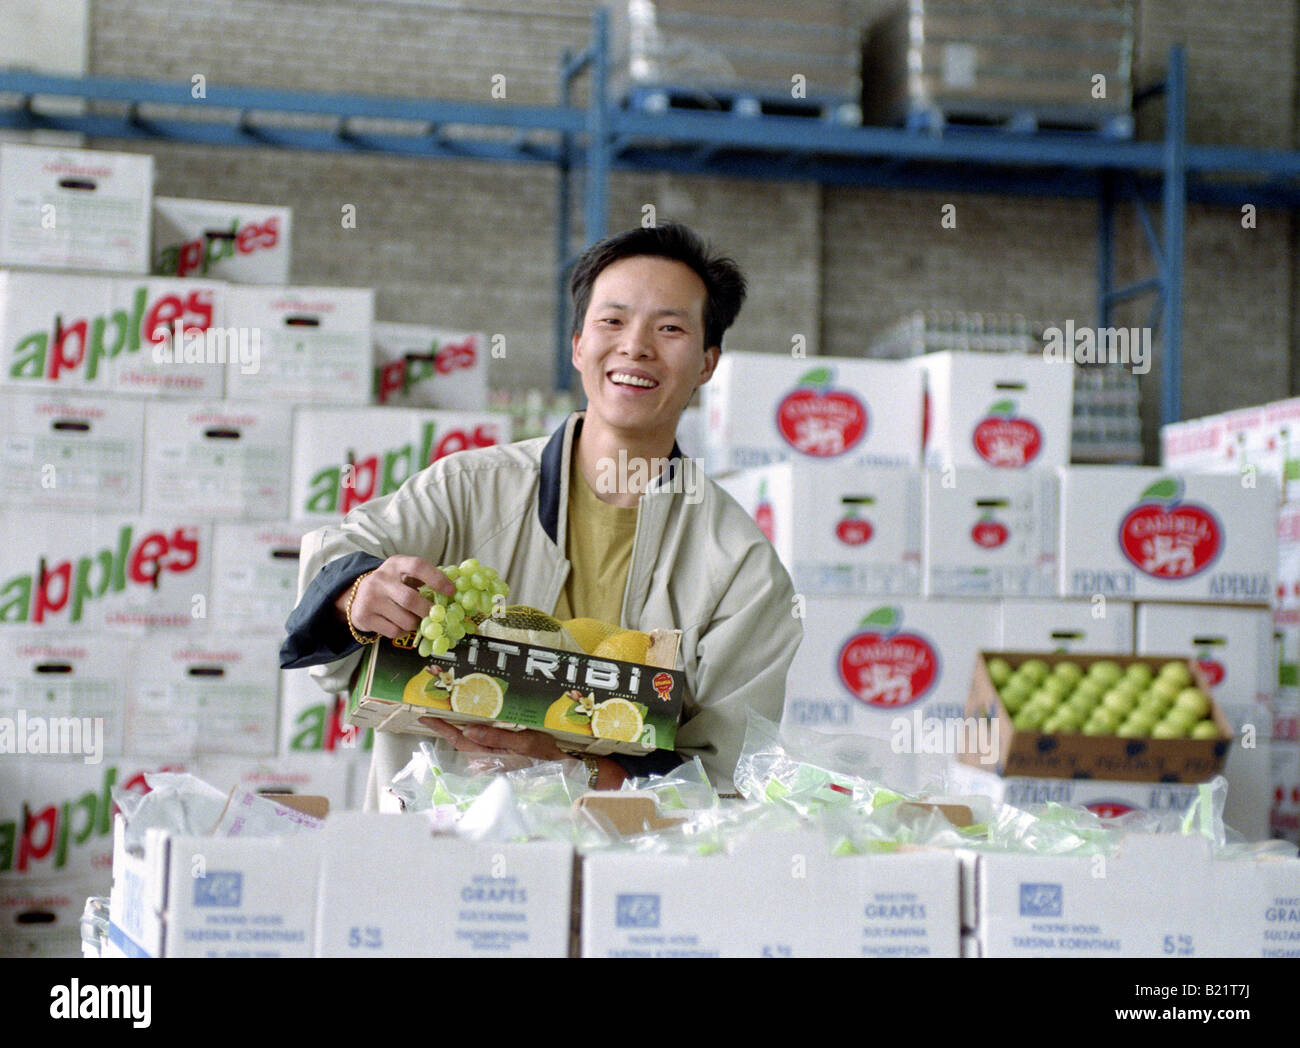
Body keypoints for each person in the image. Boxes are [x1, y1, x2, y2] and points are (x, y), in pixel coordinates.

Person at [280, 222, 802, 809]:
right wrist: (356, 597)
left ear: (708, 362)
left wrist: (567, 770)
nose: (636, 346)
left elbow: (725, 782)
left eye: (671, 328)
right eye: (612, 321)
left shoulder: (740, 568)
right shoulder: (467, 489)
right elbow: (329, 569)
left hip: (626, 882)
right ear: (578, 344)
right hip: (433, 852)